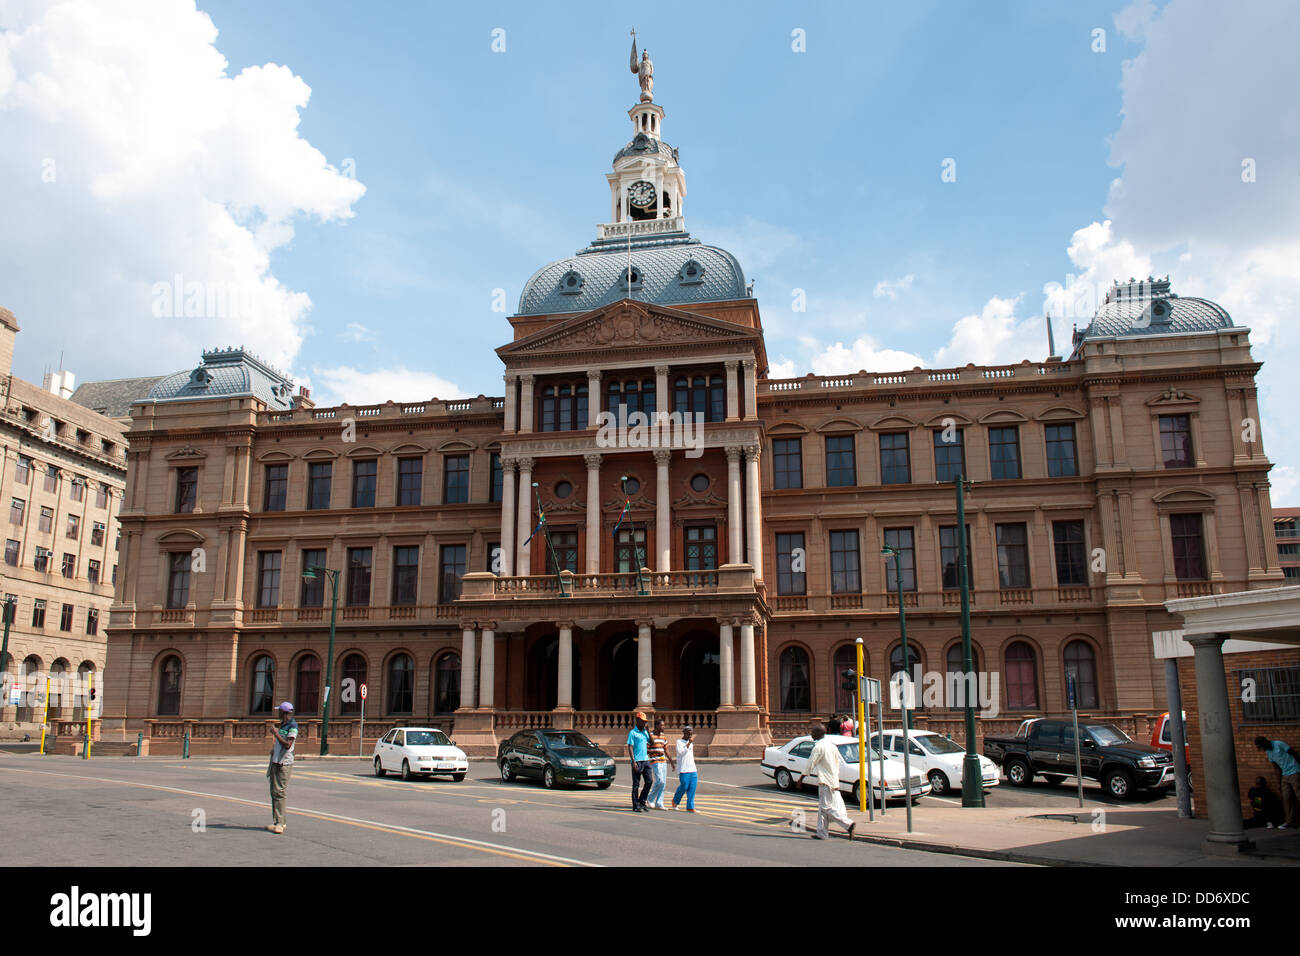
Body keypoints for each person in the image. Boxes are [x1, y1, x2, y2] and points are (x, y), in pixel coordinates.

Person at [799, 721, 856, 841]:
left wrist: (801, 778)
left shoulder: (818, 747)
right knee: (822, 808)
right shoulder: (831, 746)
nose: (811, 734)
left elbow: (810, 763)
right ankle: (822, 833)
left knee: (825, 807)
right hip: (833, 780)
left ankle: (848, 824)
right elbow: (837, 764)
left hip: (825, 781)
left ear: (819, 733)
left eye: (813, 732)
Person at [266, 701, 298, 834]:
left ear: (284, 713)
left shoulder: (293, 726)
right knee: (274, 792)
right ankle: (278, 821)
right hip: (276, 761)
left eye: (279, 710)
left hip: (284, 763)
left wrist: (275, 733)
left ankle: (280, 823)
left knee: (279, 793)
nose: (277, 712)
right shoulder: (283, 724)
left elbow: (287, 745)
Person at [1255, 736, 1300, 828]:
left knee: (1299, 795)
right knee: (1286, 798)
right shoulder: (1268, 752)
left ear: (1265, 742)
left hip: (1295, 771)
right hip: (1285, 774)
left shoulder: (1279, 744)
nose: (1263, 749)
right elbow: (1276, 767)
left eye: (1262, 746)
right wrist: (1279, 781)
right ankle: (1289, 821)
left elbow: (1293, 753)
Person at [626, 711, 653, 812]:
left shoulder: (645, 732)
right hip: (637, 761)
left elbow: (652, 742)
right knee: (636, 784)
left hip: (646, 760)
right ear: (637, 721)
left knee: (649, 781)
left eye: (645, 721)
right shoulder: (633, 733)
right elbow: (630, 747)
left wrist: (649, 731)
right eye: (642, 721)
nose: (644, 723)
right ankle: (636, 805)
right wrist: (633, 762)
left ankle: (642, 801)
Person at [646, 717, 674, 810]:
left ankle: (659, 803)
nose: (663, 727)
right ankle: (650, 798)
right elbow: (646, 750)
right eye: (662, 725)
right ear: (657, 726)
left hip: (663, 761)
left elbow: (666, 750)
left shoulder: (663, 737)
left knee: (663, 783)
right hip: (655, 761)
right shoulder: (650, 736)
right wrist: (656, 753)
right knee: (660, 780)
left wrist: (671, 762)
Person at [672, 726, 699, 812]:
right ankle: (675, 801)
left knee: (692, 788)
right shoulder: (679, 742)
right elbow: (681, 753)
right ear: (684, 733)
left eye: (691, 734)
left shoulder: (691, 743)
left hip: (692, 769)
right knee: (684, 786)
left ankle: (690, 806)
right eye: (688, 734)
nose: (690, 736)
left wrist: (689, 744)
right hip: (683, 769)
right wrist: (688, 744)